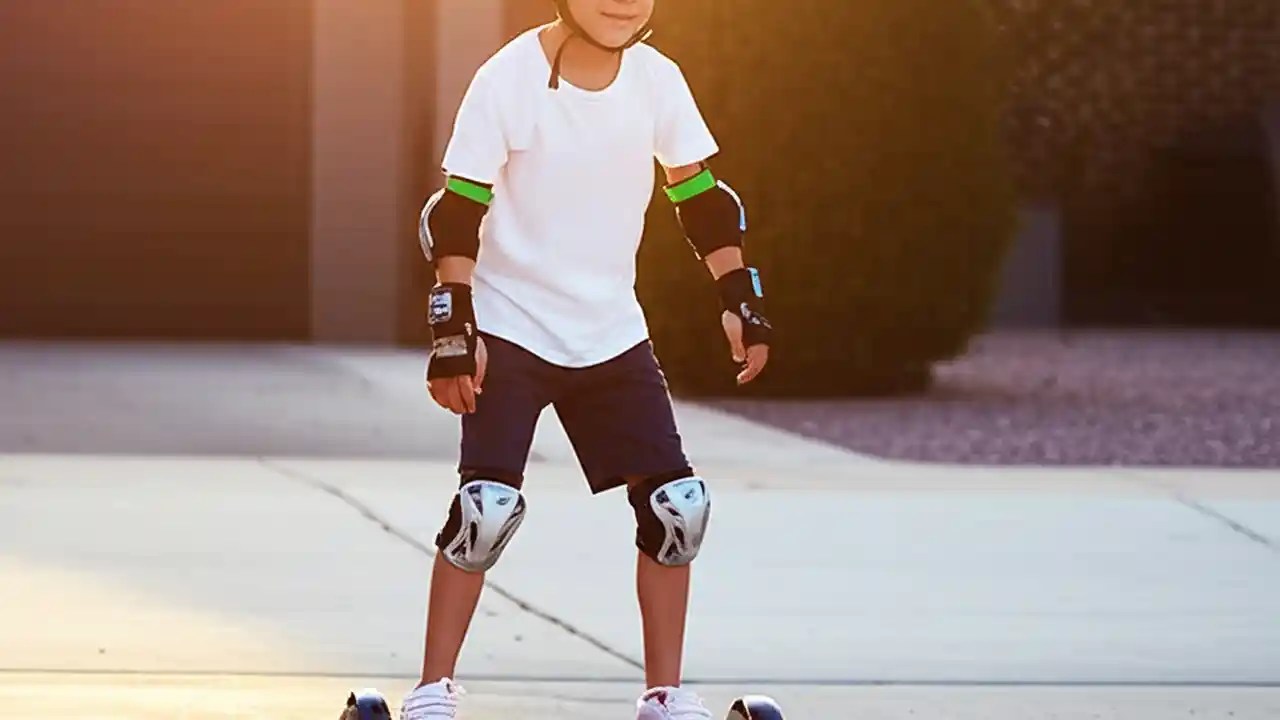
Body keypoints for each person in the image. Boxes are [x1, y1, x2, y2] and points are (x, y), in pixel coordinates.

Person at [403, 1, 773, 718]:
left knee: (677, 510)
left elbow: (698, 195)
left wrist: (738, 296)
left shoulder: (657, 79)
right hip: (511, 325)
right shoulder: (506, 78)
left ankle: (663, 695)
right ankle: (431, 691)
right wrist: (454, 329)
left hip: (610, 330)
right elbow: (457, 210)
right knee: (485, 511)